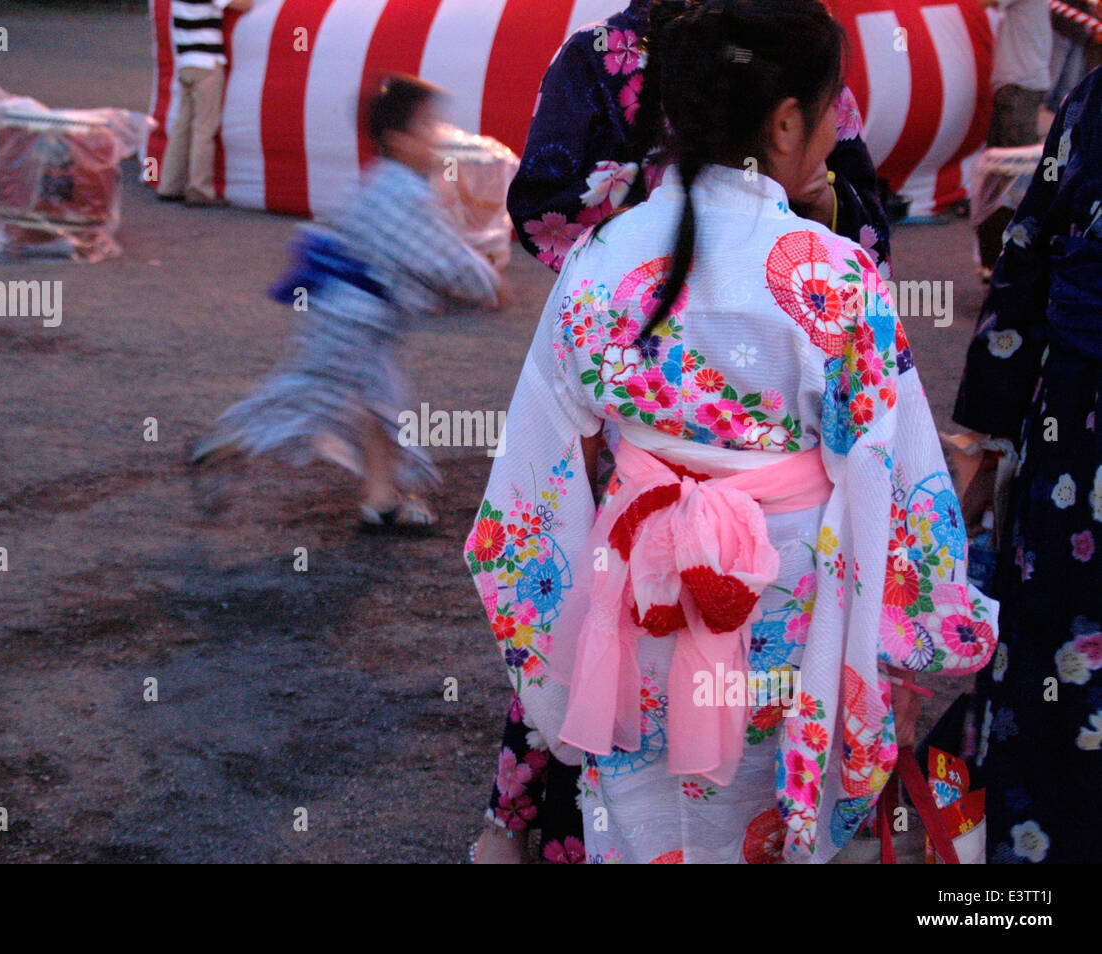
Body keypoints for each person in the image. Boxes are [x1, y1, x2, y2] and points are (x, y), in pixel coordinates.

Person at [464, 0, 996, 864]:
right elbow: (890, 474)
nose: (835, 134)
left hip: (634, 589)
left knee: (641, 808)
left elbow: (527, 491)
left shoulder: (601, 261)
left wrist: (554, 645)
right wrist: (909, 632)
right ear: (787, 123)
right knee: (769, 812)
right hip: (784, 601)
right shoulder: (831, 273)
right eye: (831, 111)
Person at [192, 74, 500, 530]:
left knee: (377, 402)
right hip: (350, 317)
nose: (438, 135)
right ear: (397, 140)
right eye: (428, 125)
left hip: (356, 314)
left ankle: (382, 500)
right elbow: (442, 258)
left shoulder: (390, 183)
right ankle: (222, 444)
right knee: (311, 394)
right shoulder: (402, 191)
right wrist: (490, 284)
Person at [953, 66, 1102, 864]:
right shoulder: (1092, 99)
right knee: (1050, 642)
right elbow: (1029, 254)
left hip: (1075, 421)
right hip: (1075, 428)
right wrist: (985, 436)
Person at [507, 0, 892, 277]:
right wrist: (667, 196)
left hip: (789, 285)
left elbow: (865, 206)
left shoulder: (794, 40)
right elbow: (541, 204)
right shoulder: (594, 53)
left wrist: (825, 201)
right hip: (642, 300)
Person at [975, 0, 1052, 272]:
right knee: (1006, 176)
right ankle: (999, 259)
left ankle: (1005, 259)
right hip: (1022, 82)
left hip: (1019, 84)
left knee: (1011, 179)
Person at [157, 0, 252, 206]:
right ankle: (200, 189)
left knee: (182, 126)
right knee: (204, 128)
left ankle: (169, 185)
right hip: (207, 64)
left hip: (185, 64)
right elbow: (245, 5)